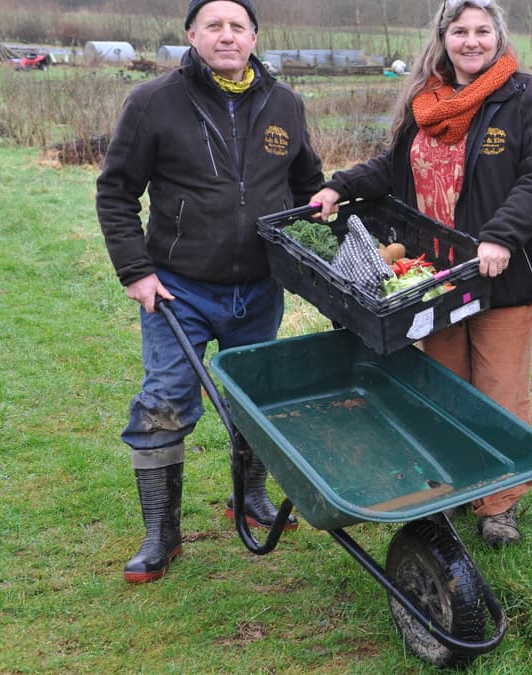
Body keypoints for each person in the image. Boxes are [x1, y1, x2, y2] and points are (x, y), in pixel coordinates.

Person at [309, 0, 532, 548]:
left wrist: (501, 234)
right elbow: (394, 166)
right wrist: (340, 185)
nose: (471, 41)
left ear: (498, 36)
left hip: (500, 274)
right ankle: (455, 486)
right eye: (460, 31)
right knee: (445, 388)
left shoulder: (529, 98)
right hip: (431, 274)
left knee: (498, 389)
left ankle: (499, 505)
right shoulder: (425, 99)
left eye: (482, 31)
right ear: (443, 37)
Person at [96, 0, 325, 583]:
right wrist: (135, 270)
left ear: (254, 37)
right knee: (165, 401)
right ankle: (161, 534)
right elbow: (116, 191)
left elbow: (308, 184)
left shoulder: (285, 104)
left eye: (238, 26)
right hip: (178, 288)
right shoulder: (153, 103)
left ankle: (247, 498)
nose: (227, 35)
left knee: (251, 396)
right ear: (192, 35)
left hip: (259, 287)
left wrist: (316, 233)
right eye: (214, 26)